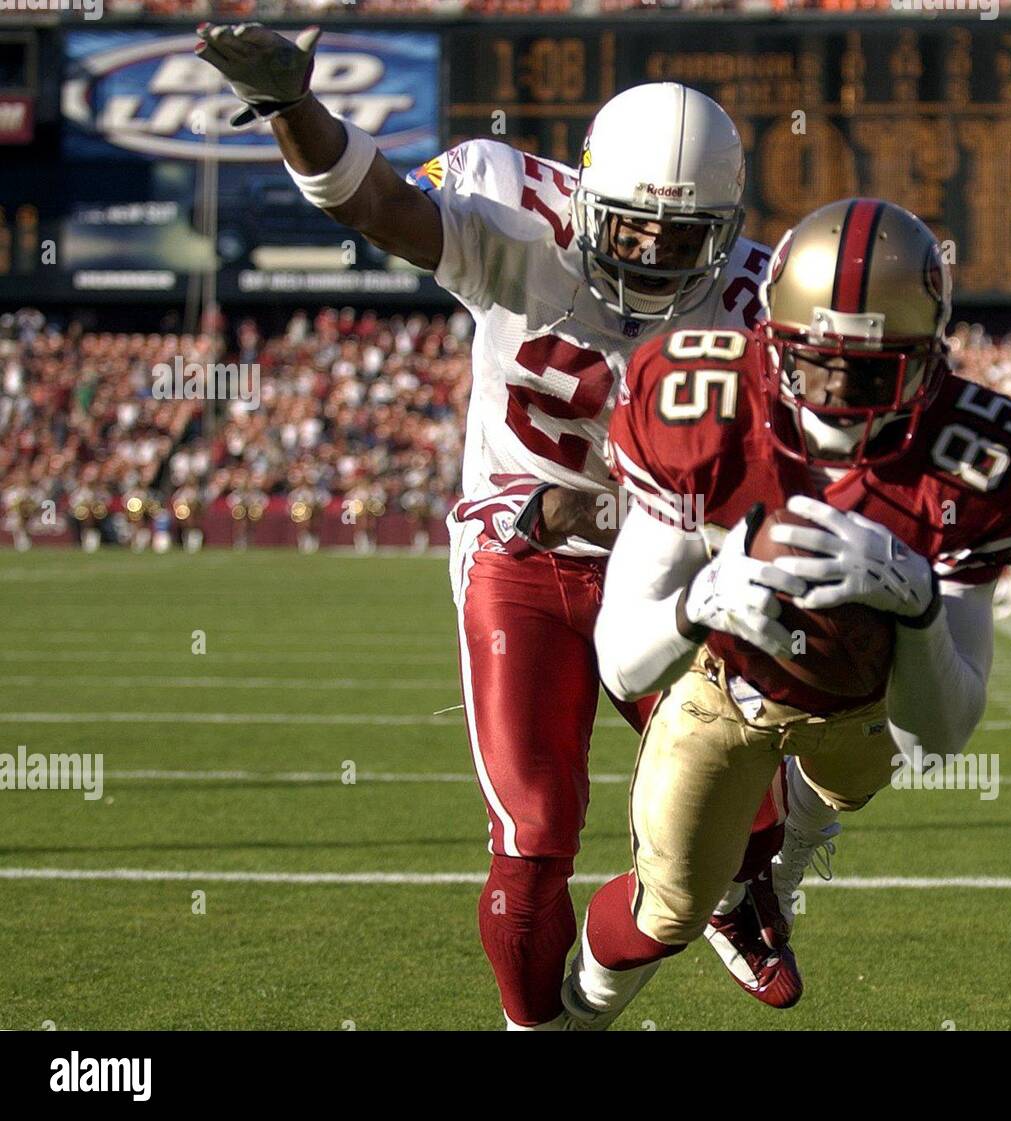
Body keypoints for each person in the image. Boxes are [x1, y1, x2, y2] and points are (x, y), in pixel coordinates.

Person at [196, 24, 782, 1028]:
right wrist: (290, 107)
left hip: (661, 566)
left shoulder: (753, 301)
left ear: (723, 235)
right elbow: (375, 203)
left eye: (677, 241)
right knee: (538, 829)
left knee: (743, 805)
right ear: (586, 198)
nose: (647, 260)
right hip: (522, 552)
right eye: (631, 229)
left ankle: (733, 884)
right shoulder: (509, 209)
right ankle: (531, 1027)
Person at [558, 199, 1011, 1028]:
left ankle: (777, 861)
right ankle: (581, 1013)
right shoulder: (698, 402)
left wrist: (919, 604)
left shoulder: (983, 458)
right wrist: (699, 603)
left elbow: (937, 740)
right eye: (816, 362)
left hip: (864, 703)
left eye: (870, 369)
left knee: (847, 787)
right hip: (725, 688)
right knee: (670, 909)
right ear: (771, 337)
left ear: (931, 355)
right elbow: (623, 662)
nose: (835, 396)